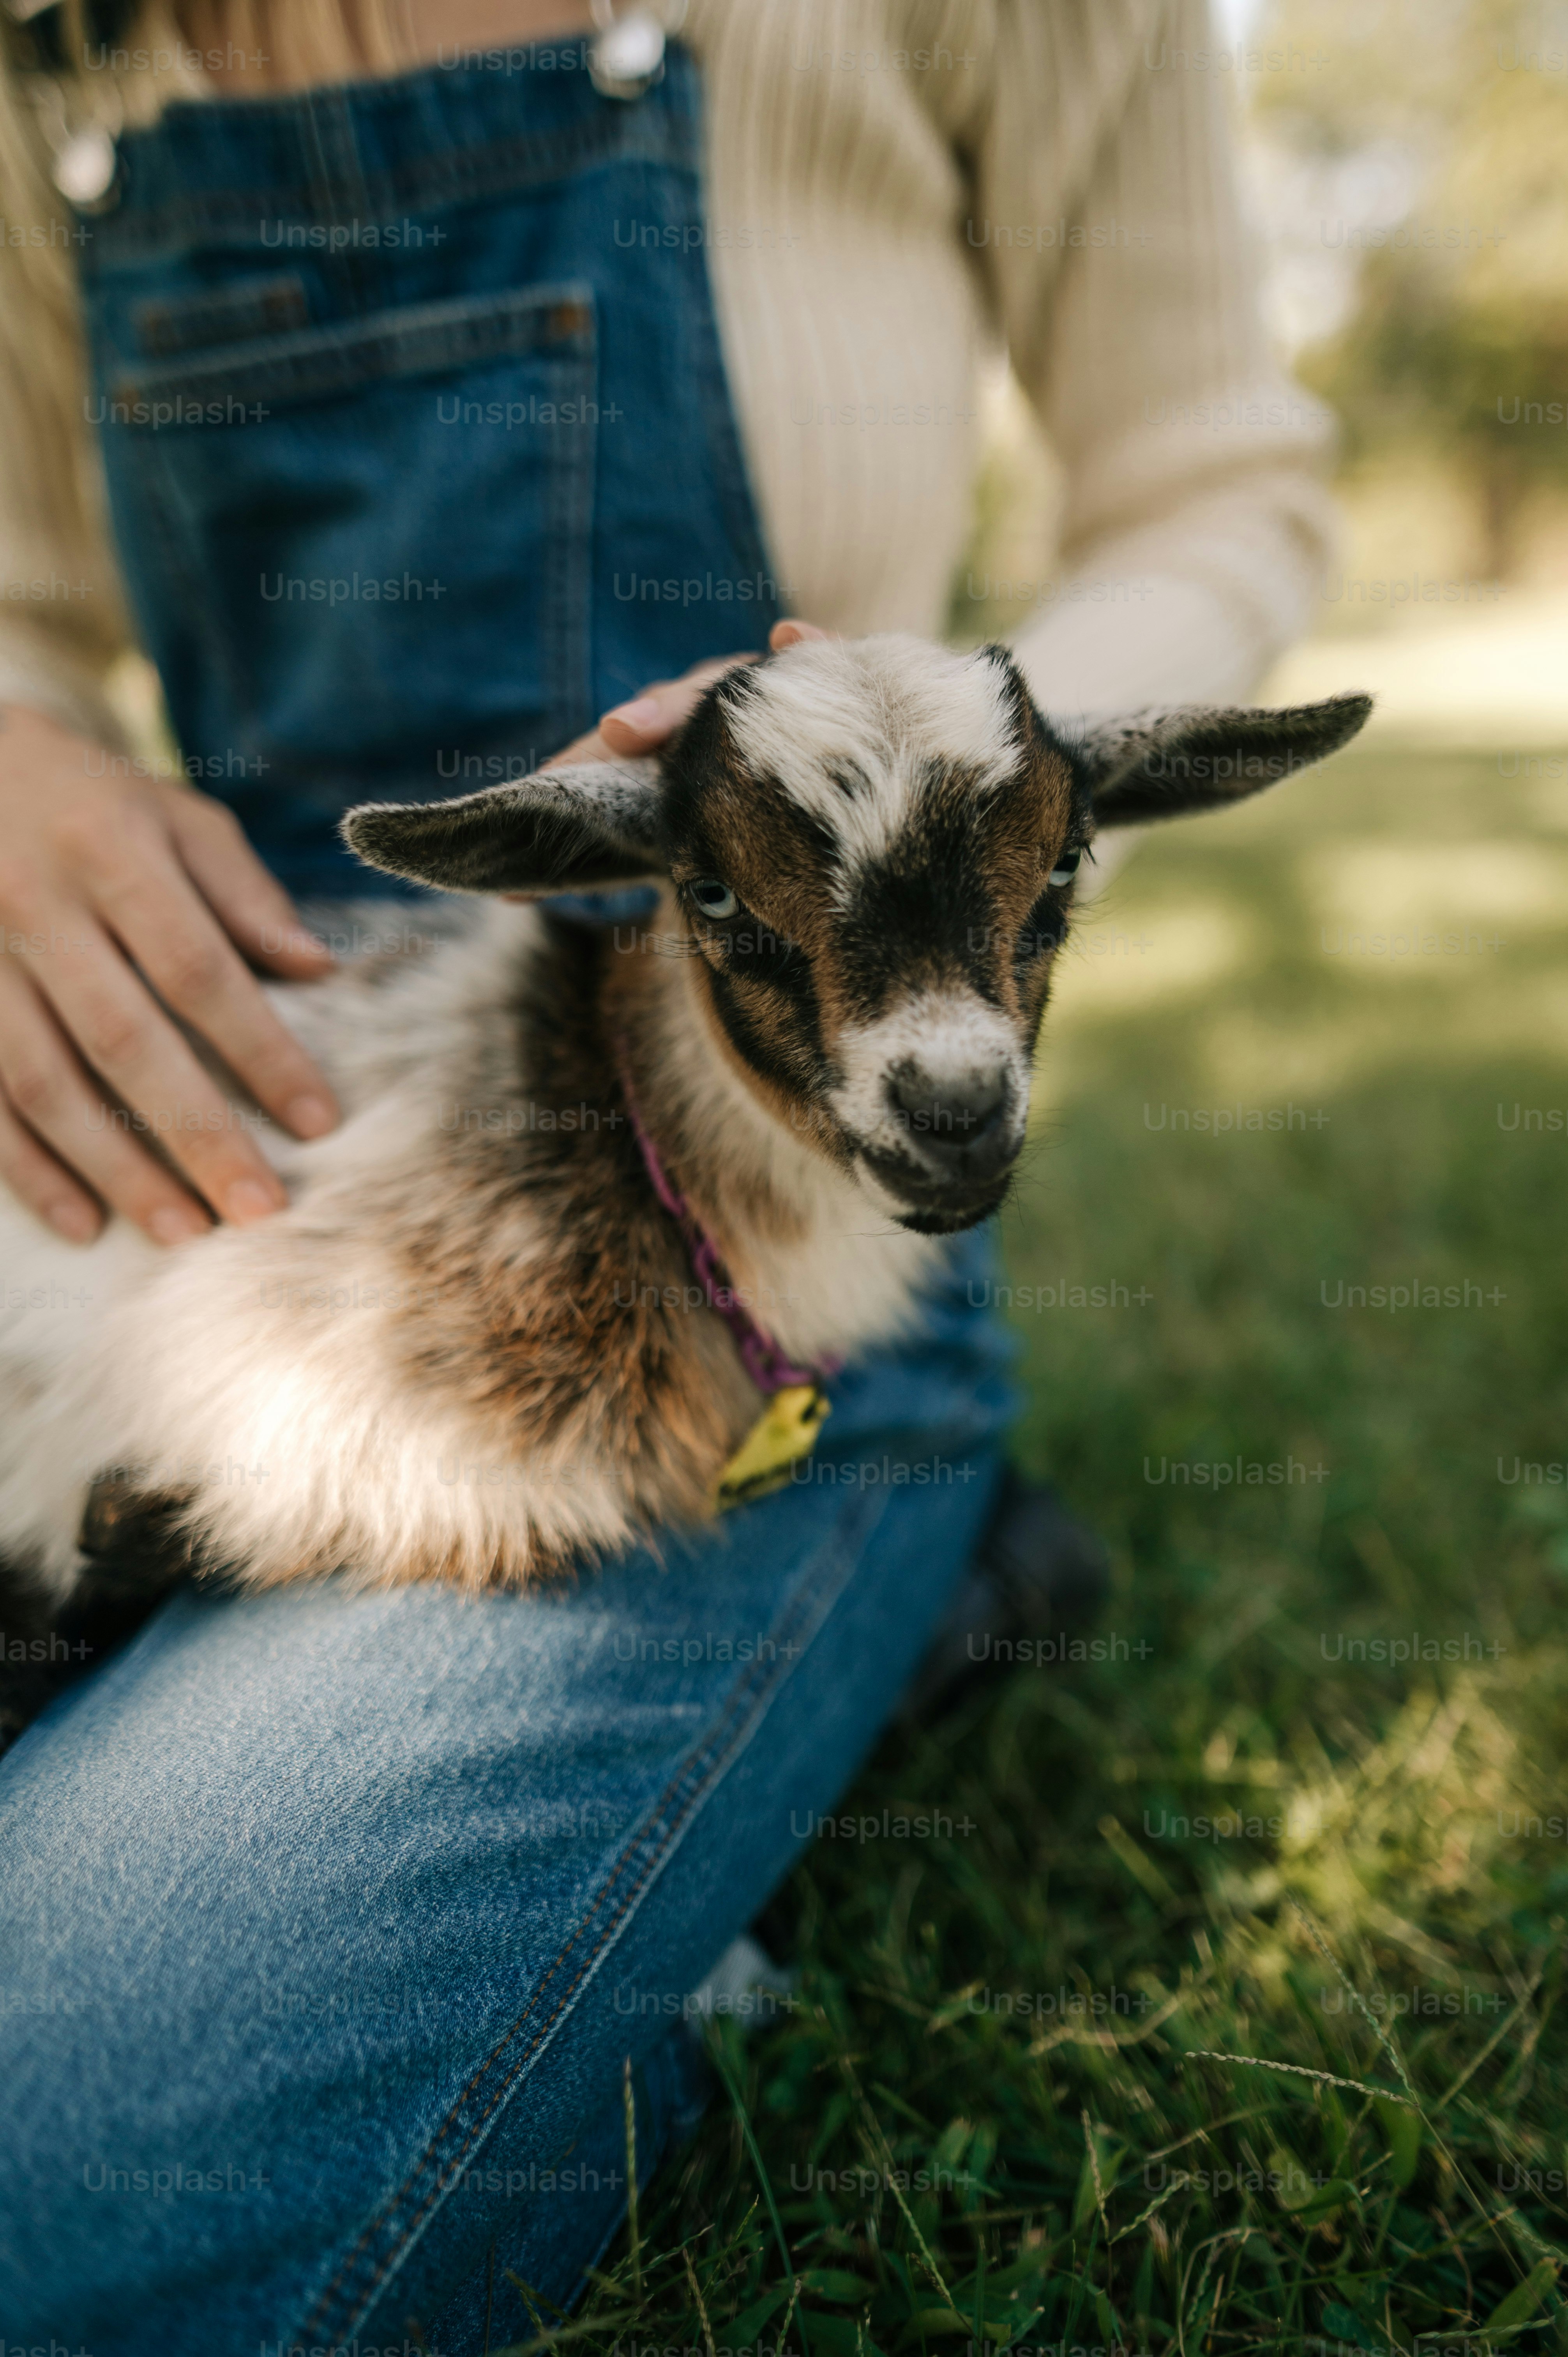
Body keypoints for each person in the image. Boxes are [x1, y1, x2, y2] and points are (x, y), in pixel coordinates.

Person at [0, 2, 1336, 2348]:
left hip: (751, 1285)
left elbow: (1212, 483)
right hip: (237, 1109)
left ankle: (825, 1603)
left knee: (78, 2177)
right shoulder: (45, 41)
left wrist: (960, 755)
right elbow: (18, 595)